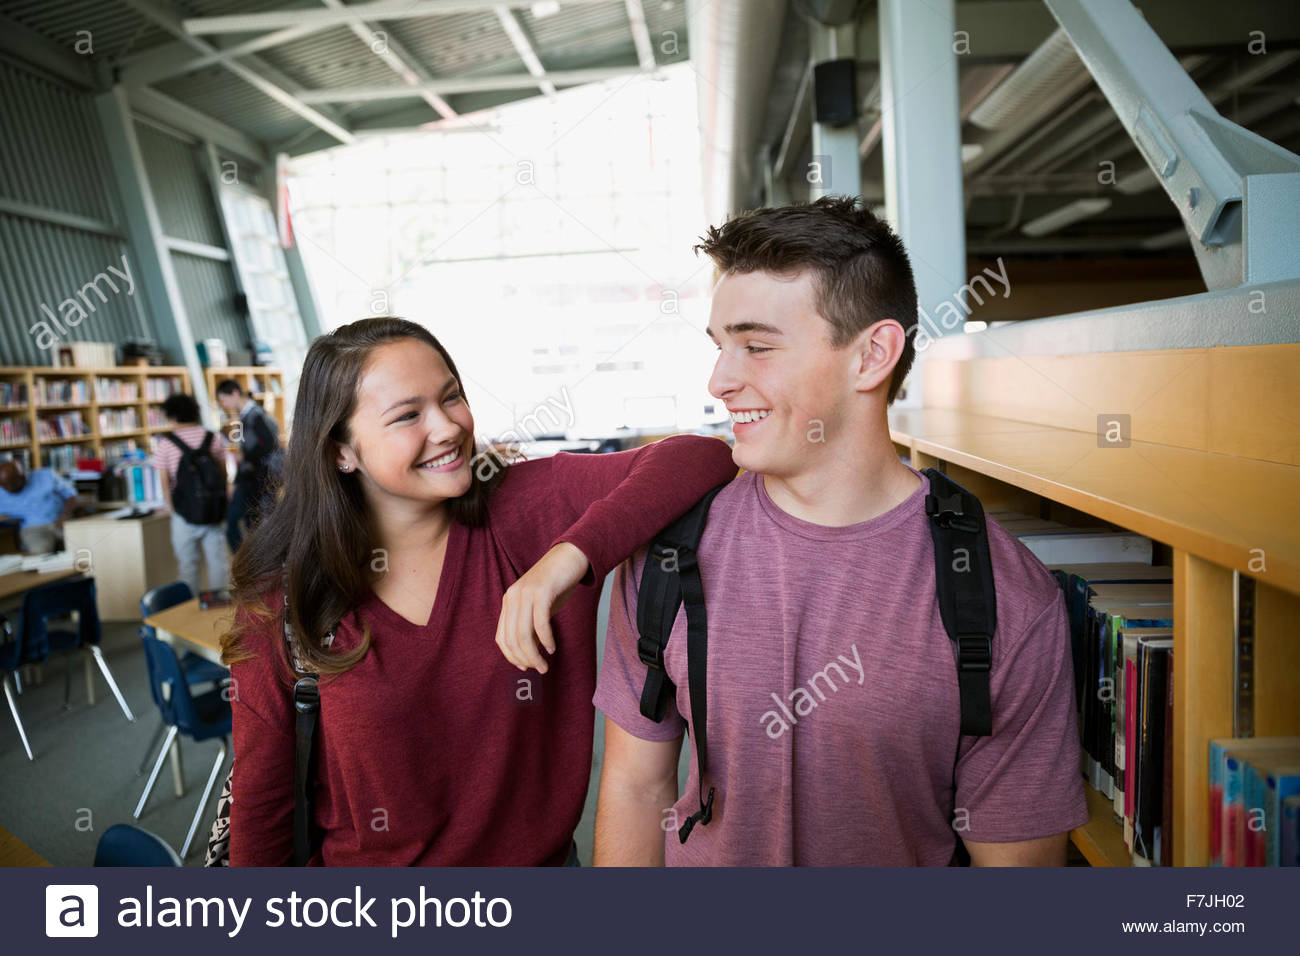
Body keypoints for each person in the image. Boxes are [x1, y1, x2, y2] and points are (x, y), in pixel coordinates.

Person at [591, 197, 1088, 866]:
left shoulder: (1005, 601)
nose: (719, 381)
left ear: (872, 356)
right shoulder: (667, 556)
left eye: (756, 347)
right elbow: (632, 785)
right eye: (720, 348)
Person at [222, 317, 737, 865]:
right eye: (407, 416)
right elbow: (264, 807)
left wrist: (567, 559)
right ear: (339, 452)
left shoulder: (527, 511)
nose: (446, 427)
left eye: (452, 398)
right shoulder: (284, 598)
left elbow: (700, 456)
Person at [150, 392, 230, 596]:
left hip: (184, 512)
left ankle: (189, 611)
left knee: (187, 565)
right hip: (212, 510)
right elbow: (223, 472)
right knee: (218, 562)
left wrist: (171, 508)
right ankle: (218, 606)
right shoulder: (212, 437)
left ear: (172, 416)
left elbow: (165, 481)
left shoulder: (165, 443)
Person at [214, 379, 282, 553]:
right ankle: (255, 565)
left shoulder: (255, 415)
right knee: (254, 523)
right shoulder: (248, 415)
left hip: (260, 477)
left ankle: (251, 565)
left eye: (223, 399)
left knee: (249, 522)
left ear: (235, 393)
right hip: (254, 477)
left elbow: (268, 444)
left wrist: (245, 455)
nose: (223, 404)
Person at [0, 458, 77, 554]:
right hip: (33, 529)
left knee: (82, 545)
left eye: (15, 485)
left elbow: (71, 495)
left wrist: (65, 516)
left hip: (60, 522)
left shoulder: (45, 475)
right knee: (39, 553)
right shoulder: (1, 493)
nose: (10, 489)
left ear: (23, 476)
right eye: (6, 487)